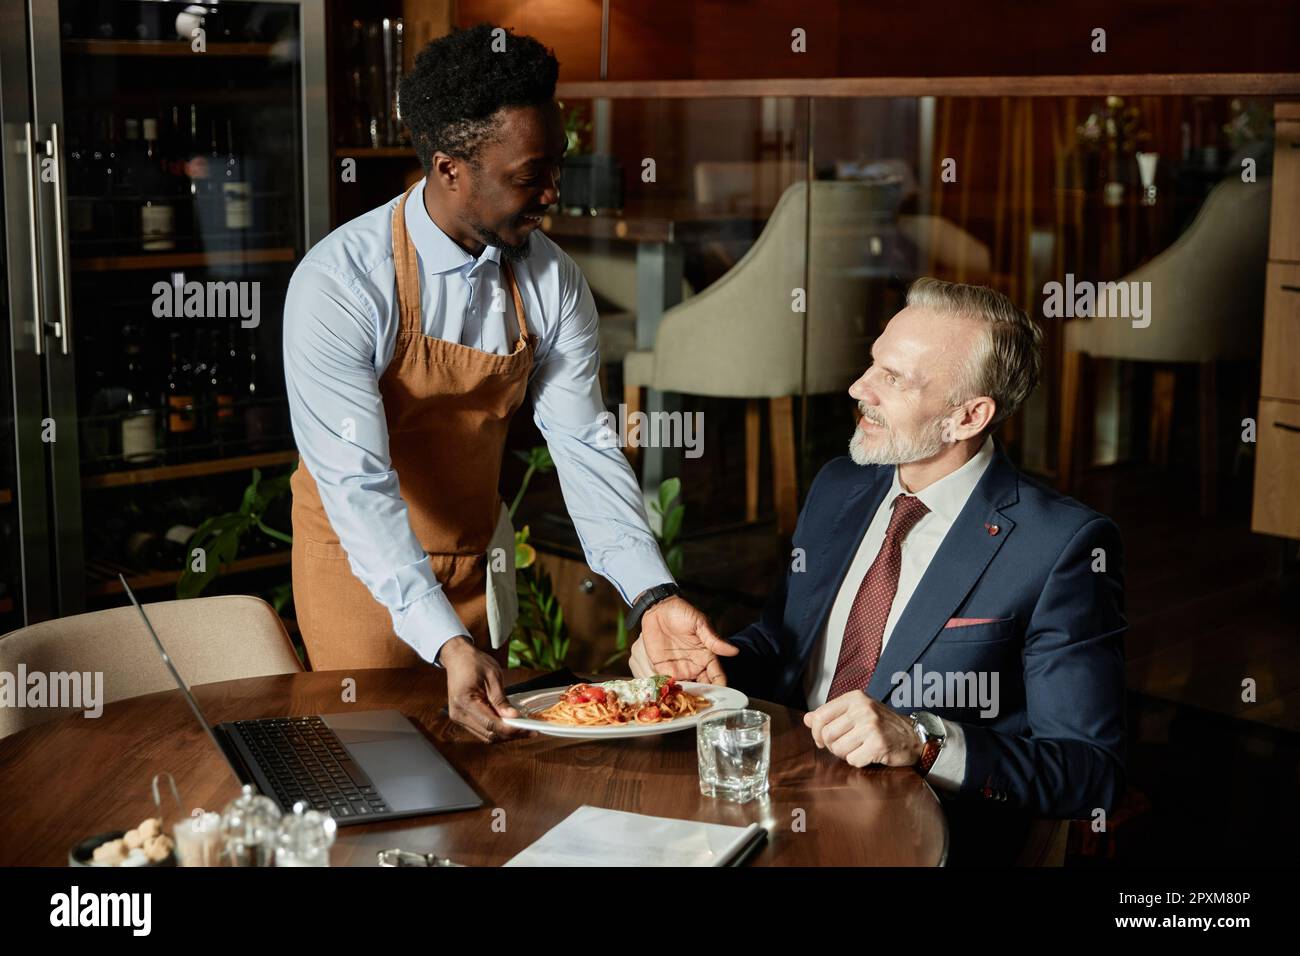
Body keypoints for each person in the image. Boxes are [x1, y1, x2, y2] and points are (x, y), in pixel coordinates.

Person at [283, 23, 720, 743]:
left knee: (488, 770)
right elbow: (357, 485)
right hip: (358, 569)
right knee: (381, 763)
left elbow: (584, 447)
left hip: (478, 558)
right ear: (449, 167)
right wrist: (442, 639)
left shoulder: (551, 281)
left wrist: (651, 594)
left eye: (556, 167)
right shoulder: (341, 285)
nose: (552, 192)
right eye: (529, 176)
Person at [631, 278, 1126, 838]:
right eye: (873, 364)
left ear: (968, 417)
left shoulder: (1062, 545)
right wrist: (706, 668)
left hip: (919, 830)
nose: (857, 388)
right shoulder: (841, 483)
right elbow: (783, 645)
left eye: (893, 379)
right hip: (775, 794)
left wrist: (924, 741)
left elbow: (1090, 772)